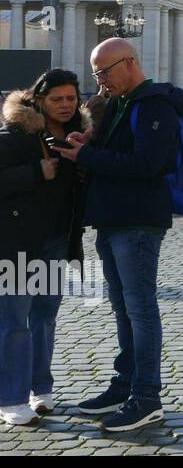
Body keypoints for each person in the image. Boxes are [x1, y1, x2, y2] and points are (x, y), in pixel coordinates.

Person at [53, 38, 183, 432]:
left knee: (141, 308)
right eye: (96, 74)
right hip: (112, 219)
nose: (100, 82)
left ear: (128, 63)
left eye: (104, 72)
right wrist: (88, 143)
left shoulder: (154, 106)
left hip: (139, 223)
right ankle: (125, 383)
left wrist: (87, 156)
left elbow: (148, 164)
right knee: (122, 306)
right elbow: (117, 151)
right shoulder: (121, 104)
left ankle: (147, 397)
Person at [0, 70, 88, 426]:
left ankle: (41, 388)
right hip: (15, 241)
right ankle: (10, 398)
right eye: (57, 99)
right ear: (38, 99)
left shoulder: (77, 135)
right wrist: (36, 172)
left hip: (55, 240)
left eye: (71, 98)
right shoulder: (12, 136)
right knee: (13, 320)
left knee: (45, 317)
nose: (66, 105)